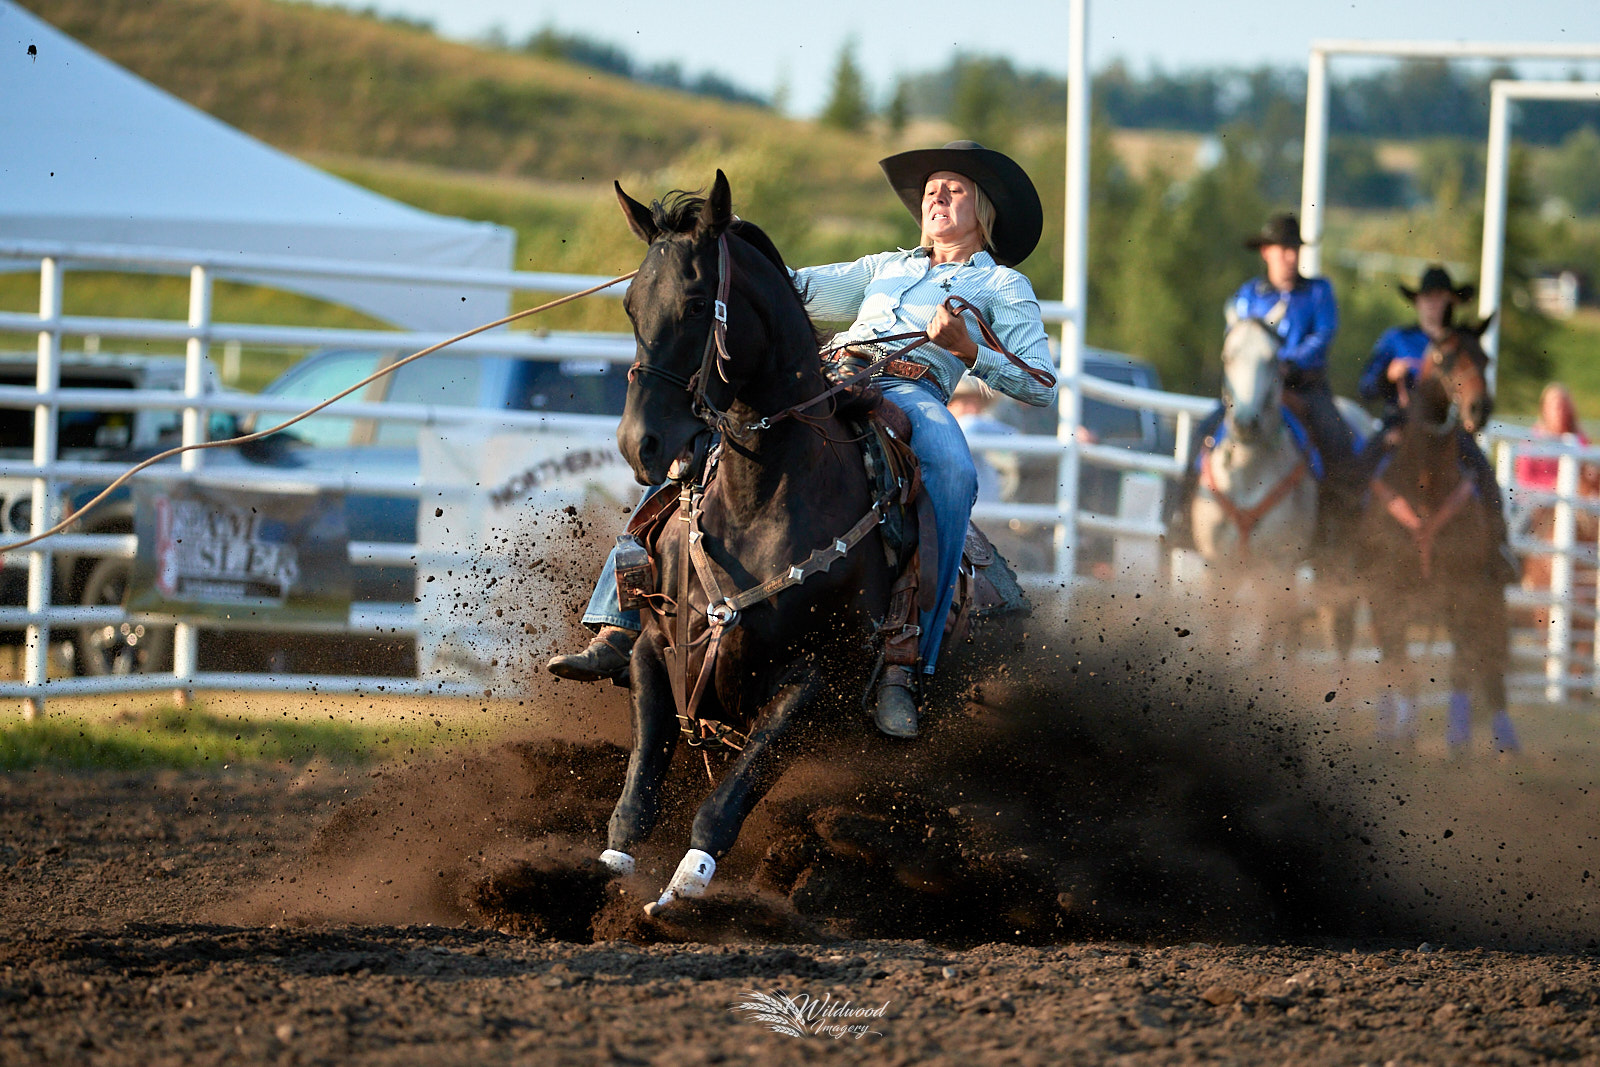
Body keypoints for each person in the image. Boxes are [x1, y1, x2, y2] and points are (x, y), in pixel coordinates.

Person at [547, 141, 1058, 740]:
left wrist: (967, 350)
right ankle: (617, 623)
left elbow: (1039, 383)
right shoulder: (884, 268)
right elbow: (788, 284)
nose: (937, 198)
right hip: (829, 376)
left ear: (984, 211)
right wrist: (709, 249)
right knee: (704, 441)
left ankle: (906, 665)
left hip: (912, 394)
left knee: (953, 470)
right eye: (930, 191)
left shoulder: (1003, 286)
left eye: (955, 189)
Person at [1172, 213, 1352, 546]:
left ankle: (1336, 535)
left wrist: (1286, 365)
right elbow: (1236, 343)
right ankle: (1180, 522)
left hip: (1305, 390)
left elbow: (1324, 336)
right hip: (1250, 390)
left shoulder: (1318, 292)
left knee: (1338, 440)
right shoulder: (1248, 296)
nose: (1291, 256)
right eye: (1283, 249)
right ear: (1266, 252)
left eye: (1295, 248)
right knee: (1201, 435)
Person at [1357, 265, 1518, 582]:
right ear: (1417, 302)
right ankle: (1348, 547)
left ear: (1453, 303)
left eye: (1441, 298)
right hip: (1400, 425)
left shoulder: (1463, 343)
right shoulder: (1397, 339)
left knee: (1485, 476)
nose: (1434, 304)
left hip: (1448, 431)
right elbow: (1367, 387)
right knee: (1359, 467)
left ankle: (1499, 552)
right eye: (1428, 297)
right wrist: (1387, 375)